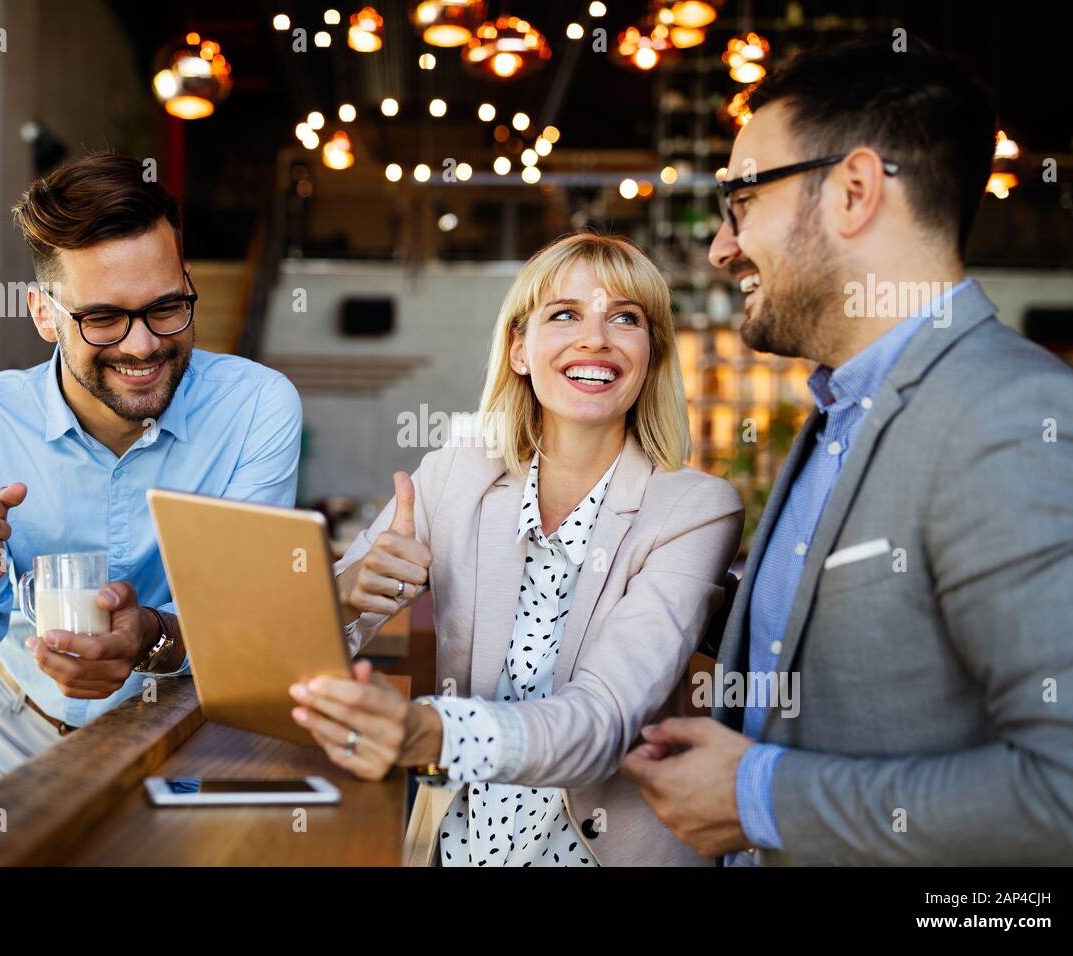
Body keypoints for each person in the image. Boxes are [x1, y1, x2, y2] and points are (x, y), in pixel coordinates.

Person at [619, 36, 1073, 865]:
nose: (720, 247)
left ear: (853, 192)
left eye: (740, 199)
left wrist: (759, 797)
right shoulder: (839, 408)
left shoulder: (1014, 418)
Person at [287, 232, 743, 866]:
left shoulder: (695, 509)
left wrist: (430, 731)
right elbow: (297, 649)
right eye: (564, 315)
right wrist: (347, 591)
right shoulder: (452, 475)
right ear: (519, 350)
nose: (595, 339)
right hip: (457, 844)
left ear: (650, 356)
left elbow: (603, 722)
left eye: (624, 319)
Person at [0, 152, 302, 803]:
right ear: (43, 314)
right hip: (15, 743)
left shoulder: (256, 407)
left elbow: (242, 625)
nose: (142, 345)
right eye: (104, 318)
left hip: (182, 738)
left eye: (166, 307)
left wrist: (151, 633)